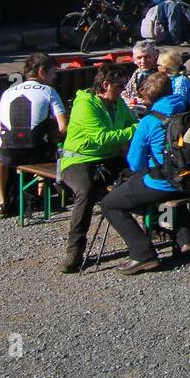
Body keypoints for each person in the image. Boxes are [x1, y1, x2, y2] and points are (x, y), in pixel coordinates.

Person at [100, 71, 190, 273]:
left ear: (148, 96)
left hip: (165, 183)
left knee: (110, 203)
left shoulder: (149, 121)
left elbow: (135, 163)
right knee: (171, 176)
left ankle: (142, 253)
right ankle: (184, 239)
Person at [58, 63, 137, 273]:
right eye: (120, 86)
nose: (123, 90)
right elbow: (101, 138)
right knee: (86, 191)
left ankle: (155, 228)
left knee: (146, 174)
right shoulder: (85, 105)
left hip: (109, 158)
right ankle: (74, 250)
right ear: (105, 84)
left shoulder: (118, 102)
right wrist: (137, 129)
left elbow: (133, 121)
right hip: (80, 159)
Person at [0, 52, 67, 218]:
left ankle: (1, 200)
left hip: (8, 154)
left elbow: (1, 129)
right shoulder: (49, 91)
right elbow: (63, 126)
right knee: (46, 142)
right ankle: (40, 196)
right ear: (41, 71)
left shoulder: (8, 92)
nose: (54, 77)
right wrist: (56, 139)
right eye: (53, 72)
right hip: (38, 154)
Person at [122, 40, 160, 112]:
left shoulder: (159, 74)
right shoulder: (137, 72)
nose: (143, 61)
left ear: (155, 56)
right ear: (134, 59)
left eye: (147, 57)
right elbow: (126, 93)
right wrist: (129, 101)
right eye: (139, 58)